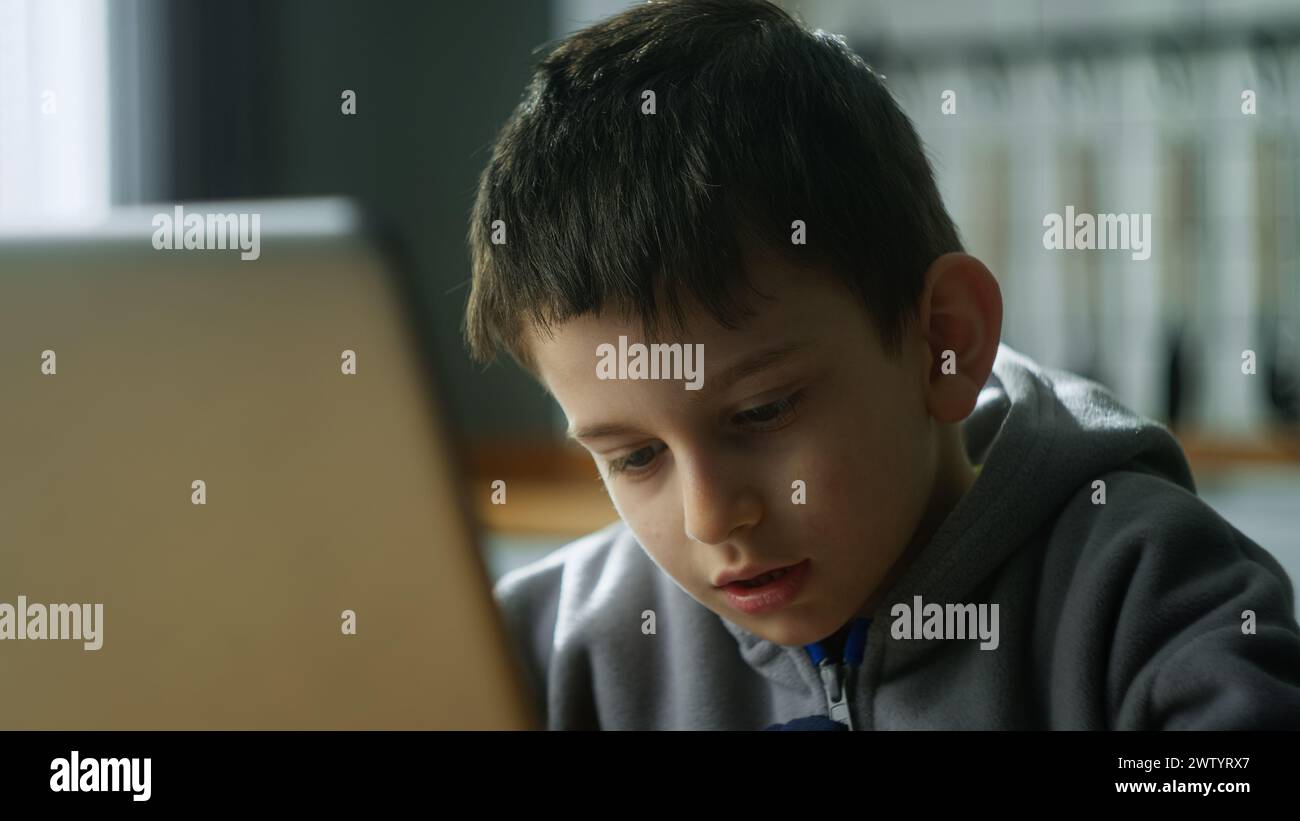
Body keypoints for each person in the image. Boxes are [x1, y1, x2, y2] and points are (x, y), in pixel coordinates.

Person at [463, 0, 1300, 729]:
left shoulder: (1141, 583)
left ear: (945, 340)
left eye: (761, 412)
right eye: (635, 456)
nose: (711, 517)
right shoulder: (554, 644)